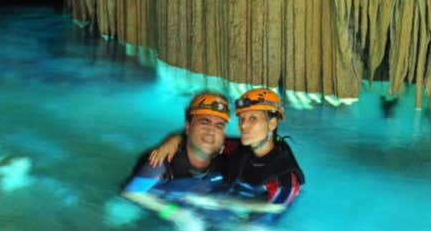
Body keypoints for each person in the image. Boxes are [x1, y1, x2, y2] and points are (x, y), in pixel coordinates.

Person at [149, 87, 304, 219]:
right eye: (241, 119)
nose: (243, 126)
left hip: (250, 218)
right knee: (176, 195)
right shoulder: (238, 148)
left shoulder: (285, 178)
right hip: (225, 201)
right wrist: (175, 139)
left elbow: (273, 212)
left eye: (253, 119)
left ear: (272, 123)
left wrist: (226, 207)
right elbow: (205, 140)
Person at [121, 91, 231, 222]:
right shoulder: (162, 160)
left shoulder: (224, 162)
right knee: (119, 214)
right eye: (204, 122)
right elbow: (131, 194)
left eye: (219, 126)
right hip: (151, 210)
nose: (211, 131)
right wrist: (175, 213)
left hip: (186, 201)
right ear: (188, 126)